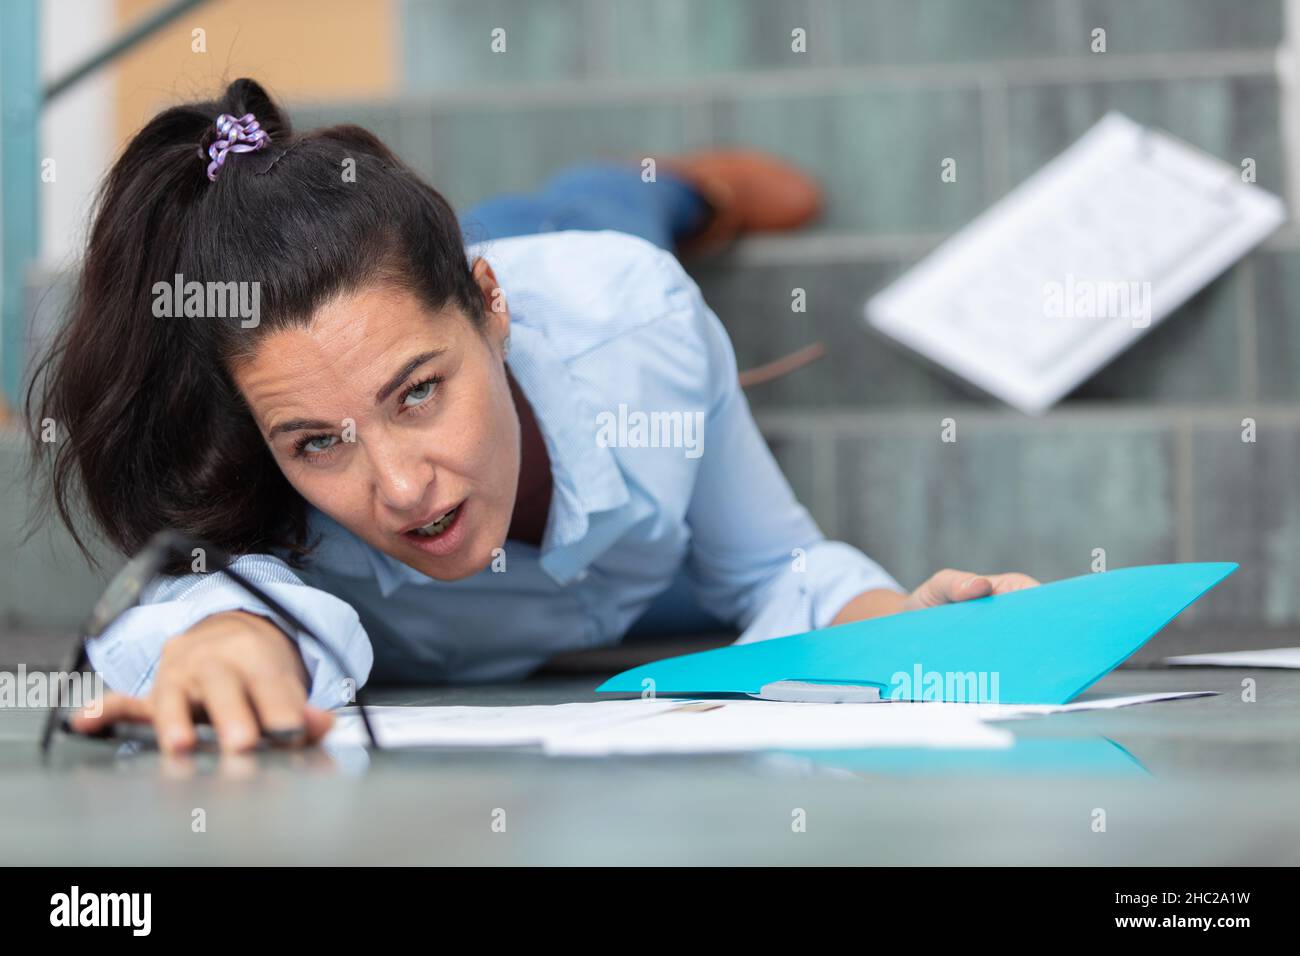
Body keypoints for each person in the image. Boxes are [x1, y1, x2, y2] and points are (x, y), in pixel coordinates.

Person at [26, 79, 1038, 753]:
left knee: (601, 212)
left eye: (418, 393)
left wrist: (892, 632)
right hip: (598, 595)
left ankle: (692, 177)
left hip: (601, 443)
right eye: (319, 442)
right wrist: (223, 639)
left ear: (490, 306)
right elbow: (195, 600)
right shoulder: (258, 465)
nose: (402, 485)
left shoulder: (631, 322)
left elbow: (775, 570)